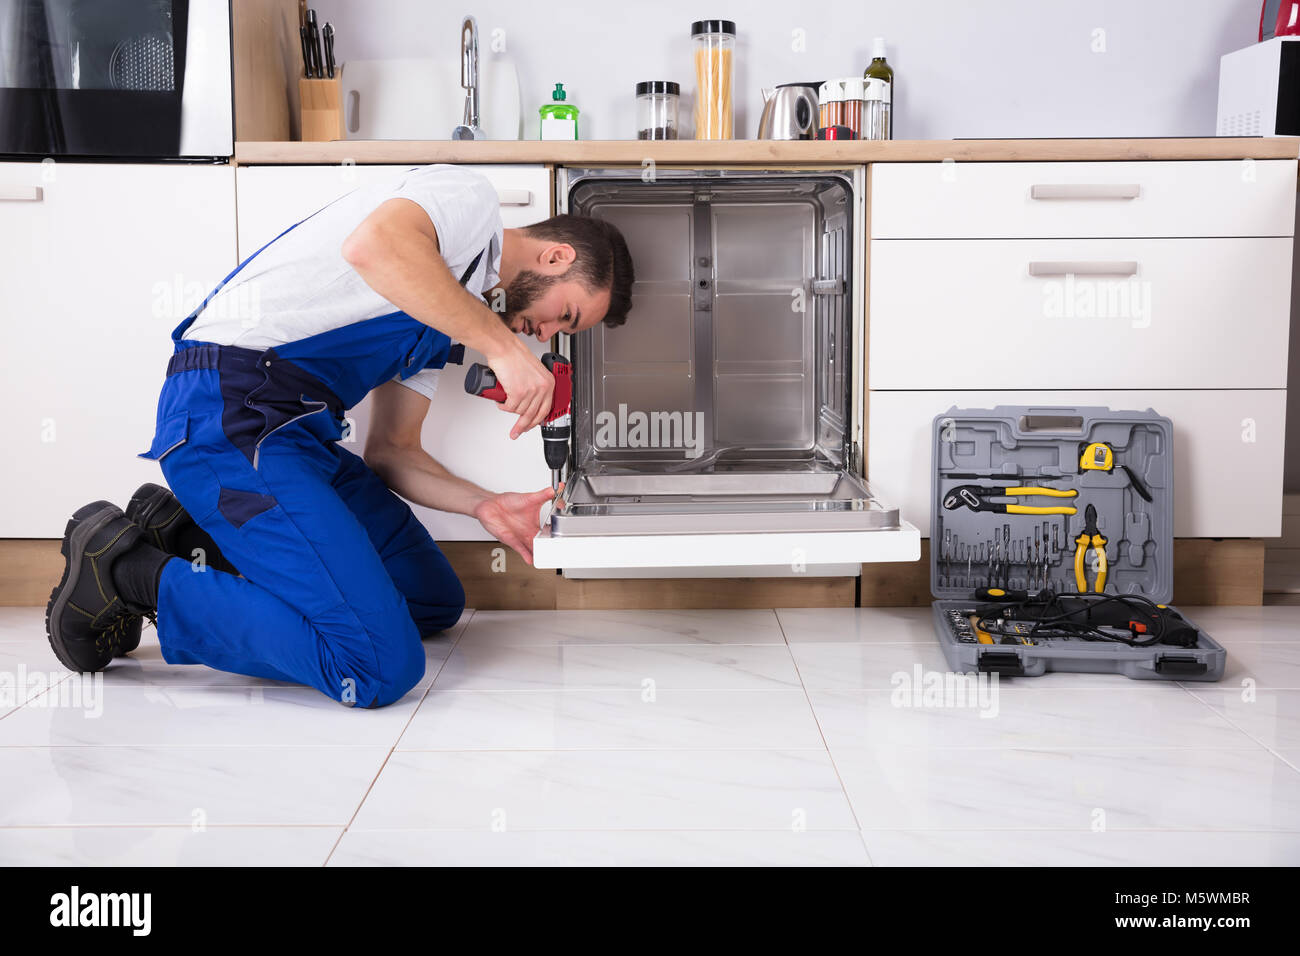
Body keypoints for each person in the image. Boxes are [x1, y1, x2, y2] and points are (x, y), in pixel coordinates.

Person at [44, 164, 634, 708]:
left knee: (432, 599)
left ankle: (182, 536)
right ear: (556, 257)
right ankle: (123, 571)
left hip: (298, 438)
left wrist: (484, 506)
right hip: (230, 419)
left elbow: (392, 452)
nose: (545, 333)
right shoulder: (468, 203)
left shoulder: (447, 320)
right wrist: (502, 347)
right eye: (567, 316)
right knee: (375, 666)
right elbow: (373, 247)